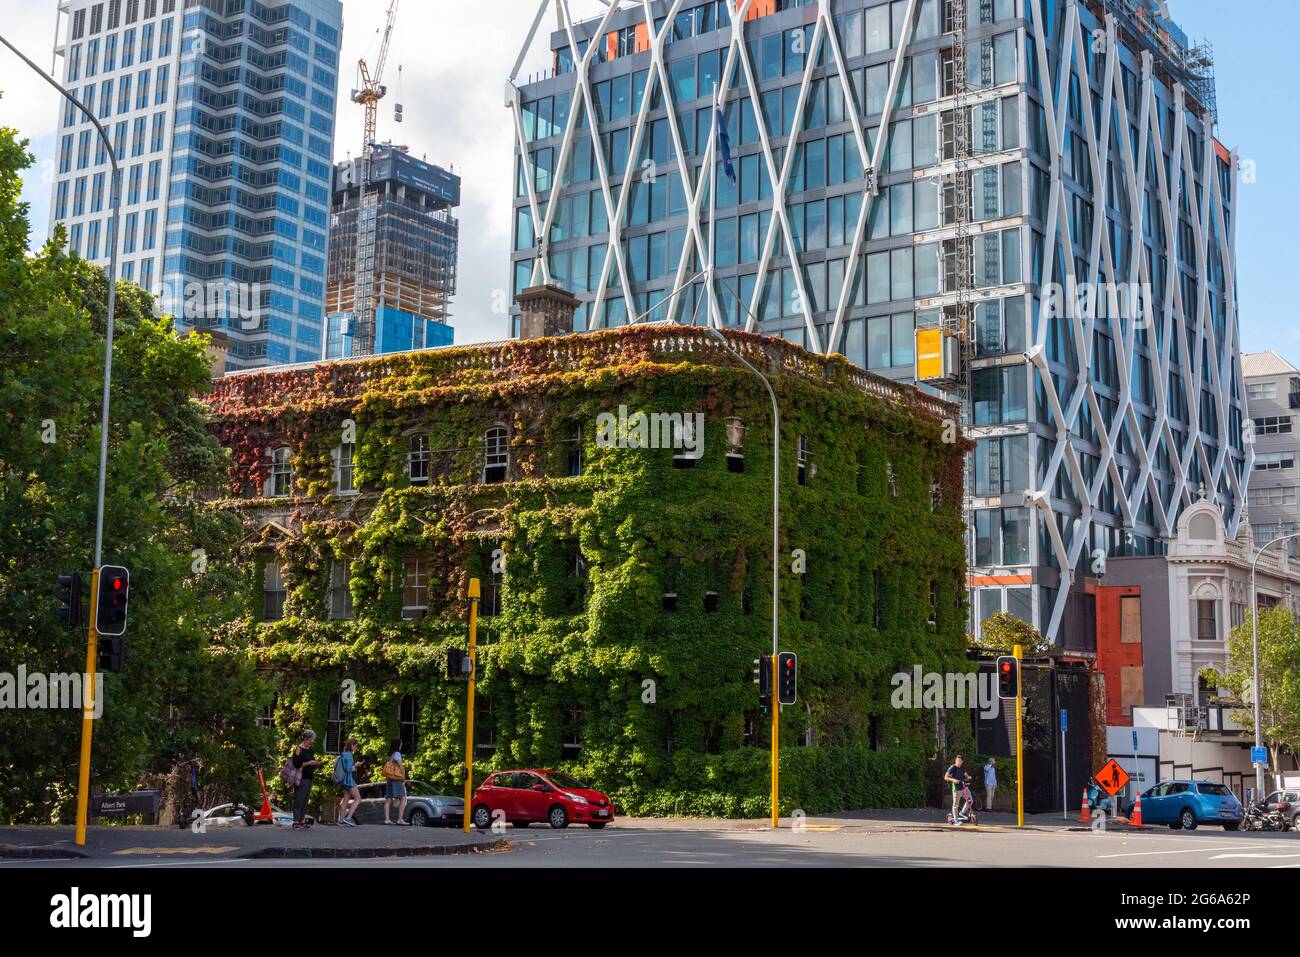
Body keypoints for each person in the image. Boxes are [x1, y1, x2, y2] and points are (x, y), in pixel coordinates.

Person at [290, 730, 321, 829]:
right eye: (311, 739)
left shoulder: (310, 749)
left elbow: (311, 760)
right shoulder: (299, 749)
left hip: (309, 776)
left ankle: (302, 820)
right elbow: (296, 764)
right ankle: (296, 820)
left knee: (305, 799)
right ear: (306, 738)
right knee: (299, 798)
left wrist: (315, 763)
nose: (312, 741)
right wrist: (309, 763)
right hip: (301, 777)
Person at [383, 739, 409, 825]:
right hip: (397, 779)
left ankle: (387, 819)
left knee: (388, 799)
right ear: (398, 745)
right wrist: (403, 778)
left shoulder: (390, 755)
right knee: (403, 798)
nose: (401, 746)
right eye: (401, 744)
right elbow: (401, 766)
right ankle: (400, 819)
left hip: (390, 779)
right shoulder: (397, 754)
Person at [336, 738, 361, 827]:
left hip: (343, 781)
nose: (356, 748)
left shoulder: (343, 754)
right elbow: (348, 769)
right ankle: (348, 818)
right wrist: (356, 766)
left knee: (345, 800)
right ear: (352, 745)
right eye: (356, 746)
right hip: (349, 781)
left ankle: (341, 821)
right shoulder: (349, 755)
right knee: (358, 798)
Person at [944, 754, 972, 824]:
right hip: (956, 788)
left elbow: (965, 774)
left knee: (970, 801)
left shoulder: (962, 767)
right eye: (957, 760)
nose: (958, 762)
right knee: (956, 804)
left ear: (962, 761)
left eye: (959, 760)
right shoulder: (952, 767)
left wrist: (968, 777)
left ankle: (962, 813)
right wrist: (953, 780)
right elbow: (946, 777)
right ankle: (956, 819)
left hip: (964, 787)